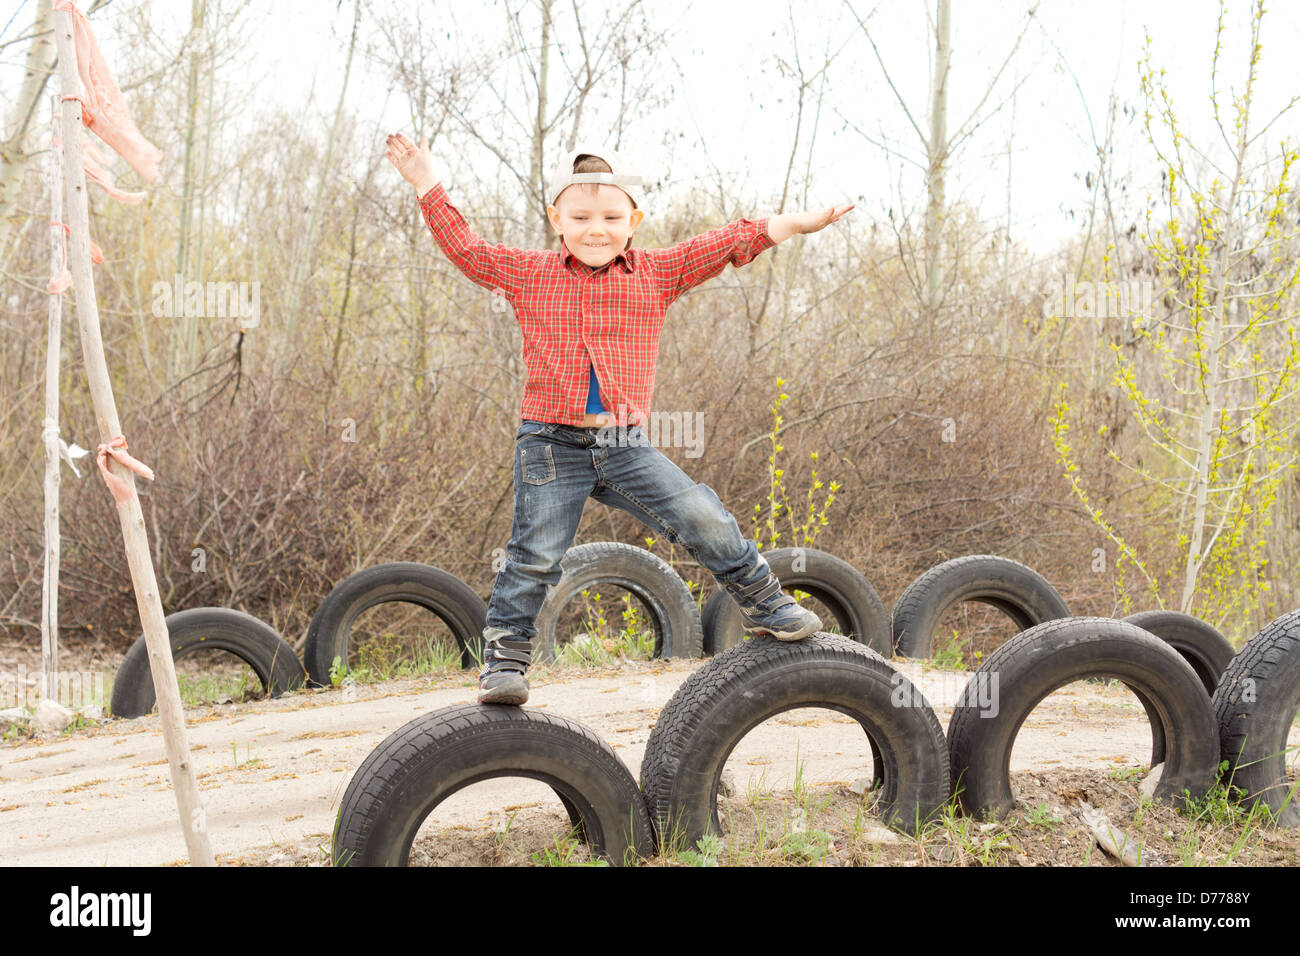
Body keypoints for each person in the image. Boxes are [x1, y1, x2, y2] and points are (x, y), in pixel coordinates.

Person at [385, 132, 854, 705]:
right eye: (580, 216)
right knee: (534, 555)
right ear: (557, 217)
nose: (595, 229)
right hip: (551, 445)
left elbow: (730, 241)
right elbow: (466, 249)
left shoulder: (655, 273)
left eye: (610, 216)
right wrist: (426, 180)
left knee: (700, 513)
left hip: (624, 445)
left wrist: (798, 223)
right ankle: (505, 659)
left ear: (633, 220)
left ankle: (764, 601)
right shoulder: (529, 273)